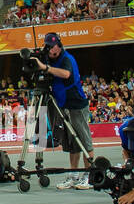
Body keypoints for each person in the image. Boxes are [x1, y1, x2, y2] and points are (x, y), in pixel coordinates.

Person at [32, 33, 93, 190]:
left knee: (84, 140)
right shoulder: (50, 58)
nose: (50, 50)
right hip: (63, 104)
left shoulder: (67, 58)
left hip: (76, 104)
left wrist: (45, 67)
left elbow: (66, 74)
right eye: (48, 46)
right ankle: (73, 175)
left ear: (59, 45)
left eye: (52, 46)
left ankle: (88, 175)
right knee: (71, 143)